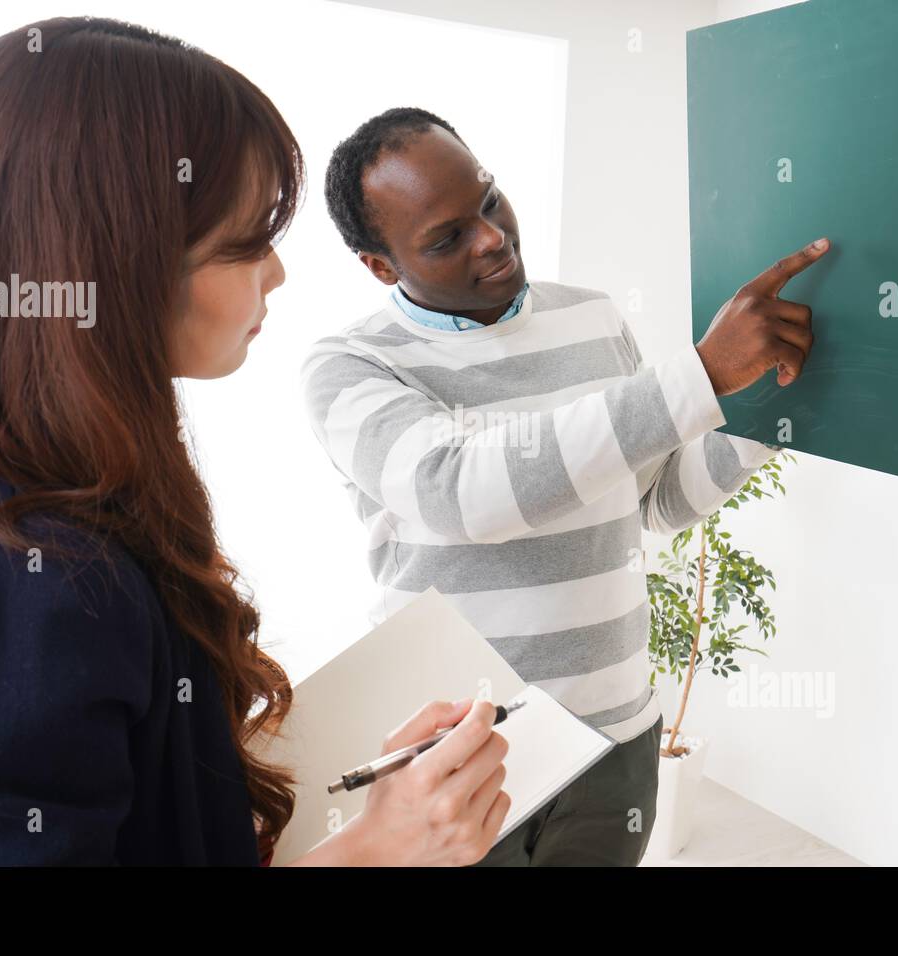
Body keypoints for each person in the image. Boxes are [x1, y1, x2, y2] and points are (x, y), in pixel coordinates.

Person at [0, 18, 508, 867]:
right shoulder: (30, 574)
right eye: (245, 242)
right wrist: (375, 853)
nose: (276, 272)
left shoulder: (40, 505)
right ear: (110, 265)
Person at [303, 107, 827, 865]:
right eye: (446, 238)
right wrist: (701, 374)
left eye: (487, 199)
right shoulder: (347, 365)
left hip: (615, 741)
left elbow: (655, 502)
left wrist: (768, 414)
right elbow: (461, 493)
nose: (490, 236)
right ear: (380, 265)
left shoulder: (592, 316)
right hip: (461, 760)